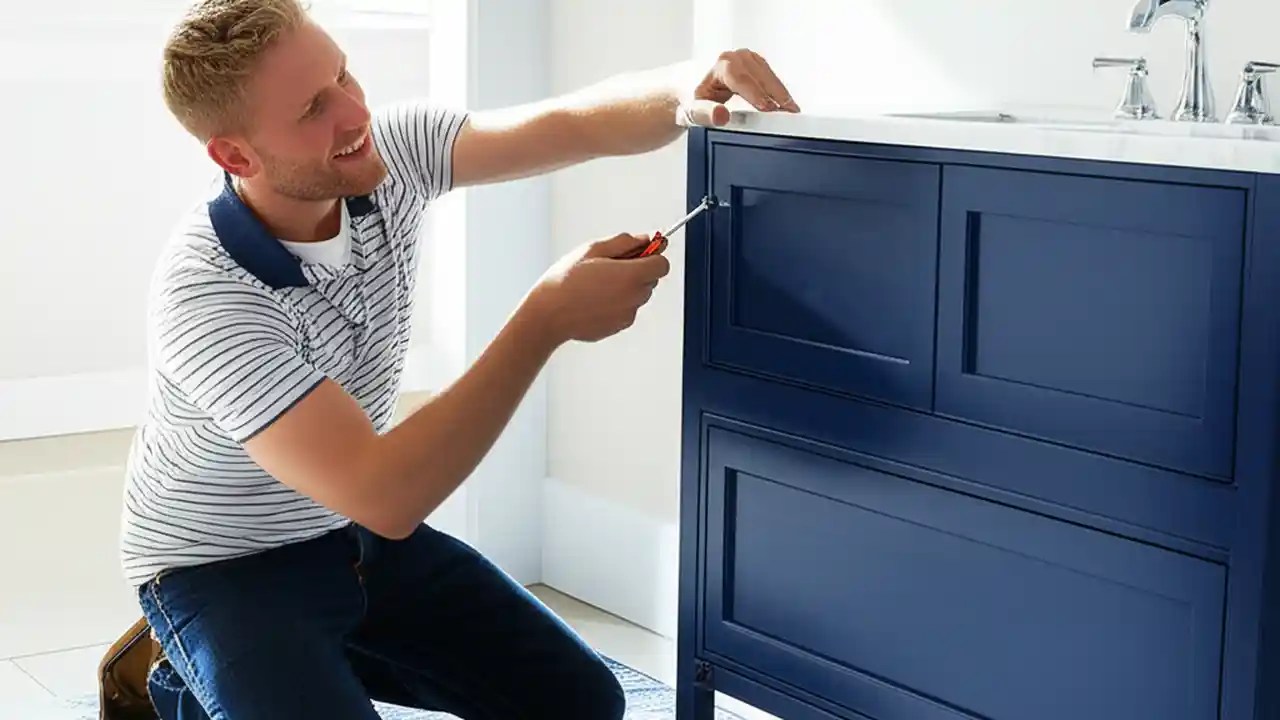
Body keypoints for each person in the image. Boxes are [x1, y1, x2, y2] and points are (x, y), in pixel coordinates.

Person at [120, 0, 798, 717]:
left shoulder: (386, 153)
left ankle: (289, 665)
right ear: (235, 155)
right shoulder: (207, 294)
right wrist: (544, 320)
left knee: (580, 702)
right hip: (222, 569)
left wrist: (687, 88)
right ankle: (191, 675)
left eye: (345, 76)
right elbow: (387, 496)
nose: (354, 112)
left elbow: (568, 122)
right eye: (314, 107)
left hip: (349, 541)